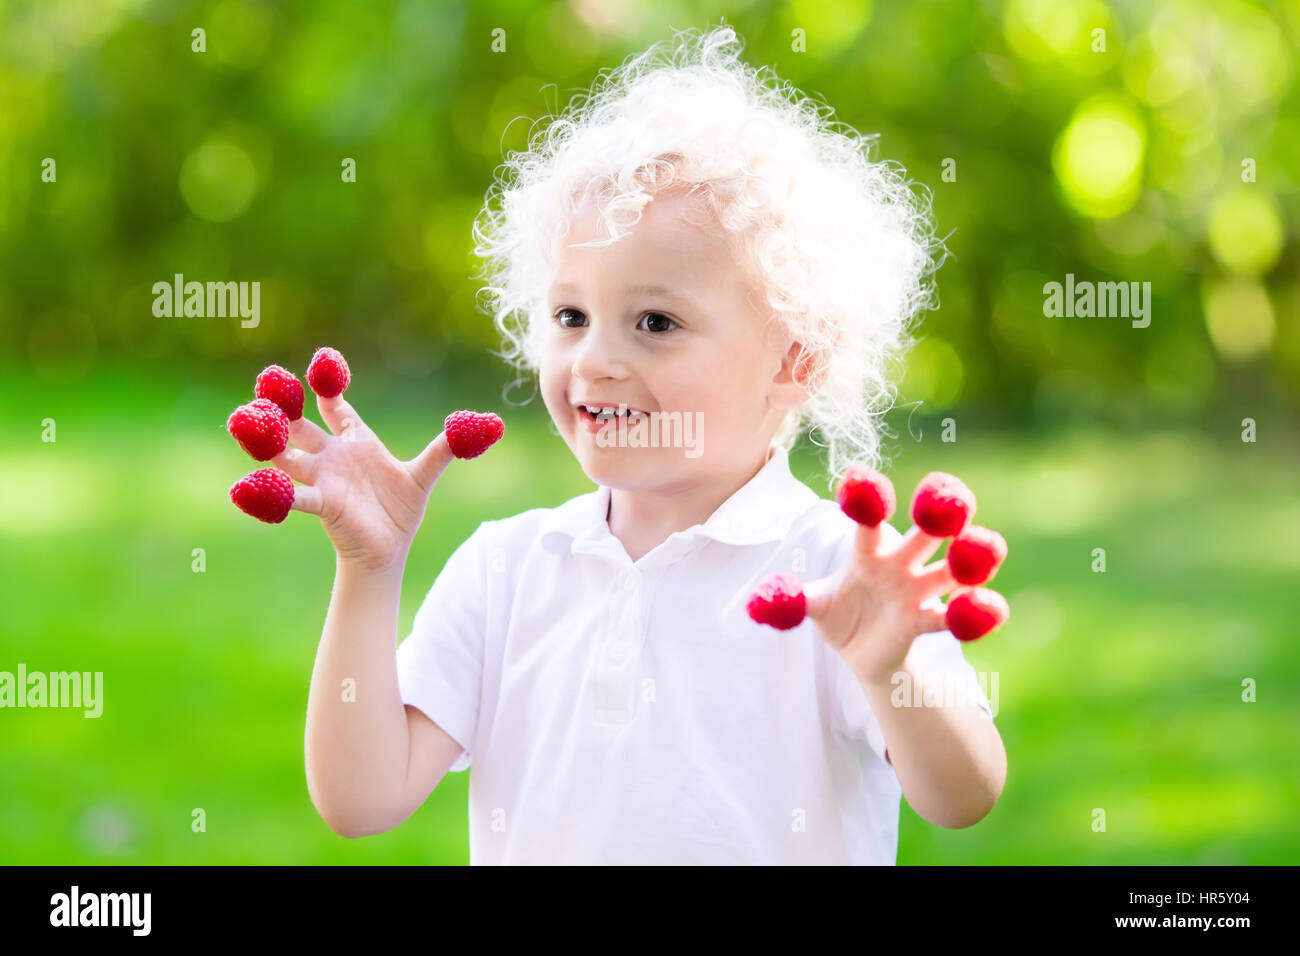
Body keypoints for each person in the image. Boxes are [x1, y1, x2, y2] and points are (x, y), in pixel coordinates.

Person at [294, 23, 1005, 864]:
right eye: (570, 317)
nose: (594, 359)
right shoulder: (507, 571)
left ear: (796, 359)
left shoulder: (838, 579)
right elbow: (360, 799)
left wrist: (891, 672)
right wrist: (369, 572)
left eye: (655, 322)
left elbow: (964, 796)